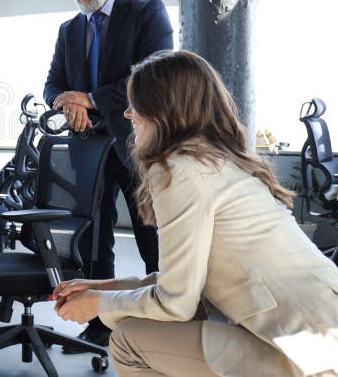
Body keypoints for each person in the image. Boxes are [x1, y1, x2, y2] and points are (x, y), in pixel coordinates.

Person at [53, 50, 338, 376]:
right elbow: (190, 279)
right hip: (319, 330)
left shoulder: (179, 171)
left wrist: (99, 305)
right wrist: (106, 287)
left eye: (137, 104)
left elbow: (176, 302)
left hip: (304, 351)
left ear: (163, 110)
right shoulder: (217, 160)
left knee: (129, 340)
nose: (129, 115)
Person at [43, 0, 173, 346]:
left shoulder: (146, 12)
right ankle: (102, 321)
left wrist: (92, 99)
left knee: (150, 233)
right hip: (88, 146)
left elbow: (154, 72)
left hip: (138, 143)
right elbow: (52, 84)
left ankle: (164, 316)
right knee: (96, 234)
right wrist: (66, 101)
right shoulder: (70, 30)